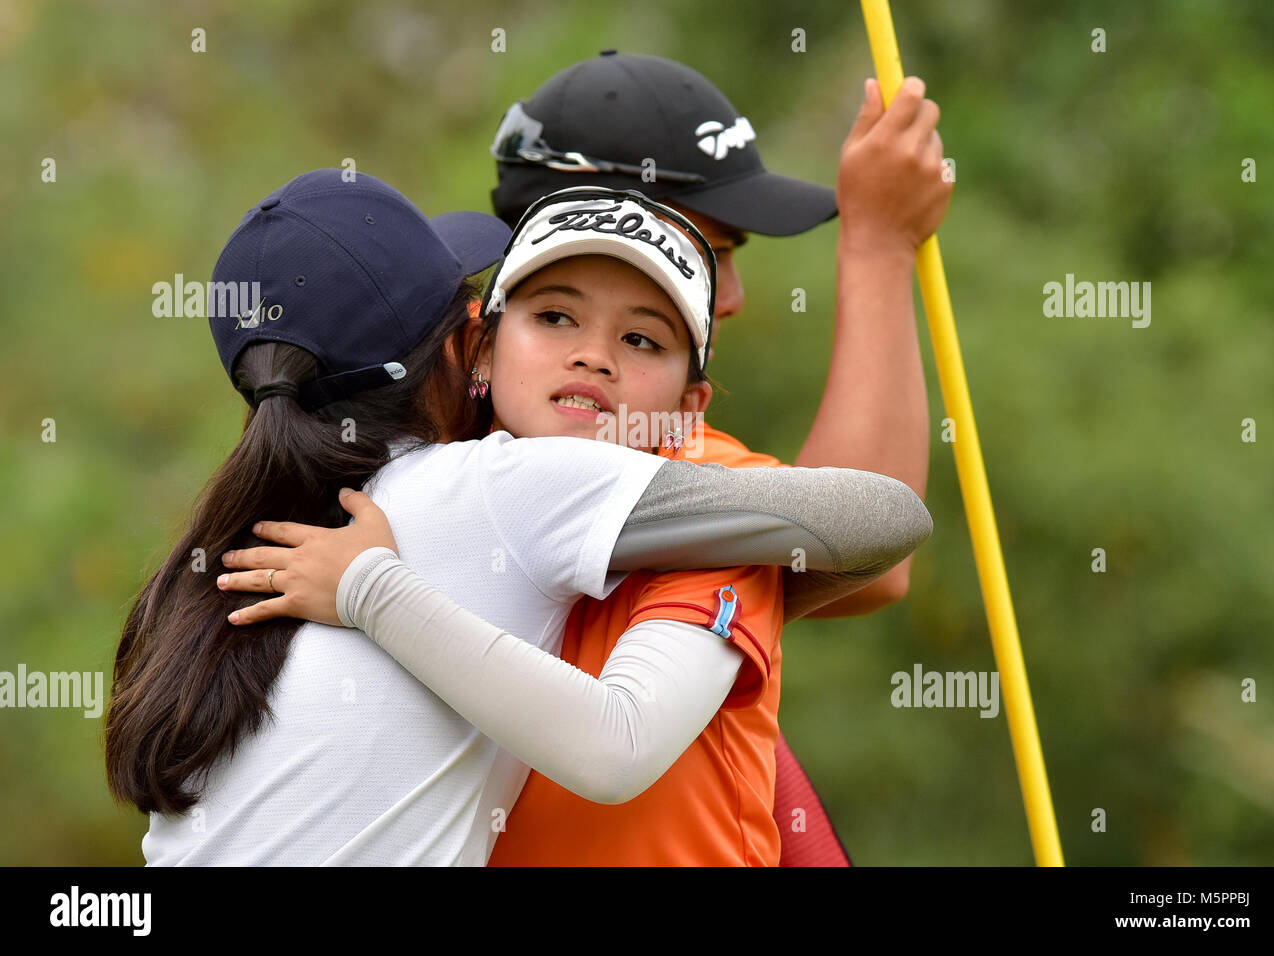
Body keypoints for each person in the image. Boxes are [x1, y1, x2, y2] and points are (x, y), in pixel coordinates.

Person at [111, 171, 931, 865]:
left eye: (643, 339)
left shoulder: (219, 546)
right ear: (469, 354)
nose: (594, 355)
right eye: (553, 317)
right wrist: (372, 589)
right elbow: (883, 517)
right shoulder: (501, 485)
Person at [483, 52, 953, 865]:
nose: (730, 294)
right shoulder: (644, 440)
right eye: (714, 247)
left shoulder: (411, 420)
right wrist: (878, 249)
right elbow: (873, 555)